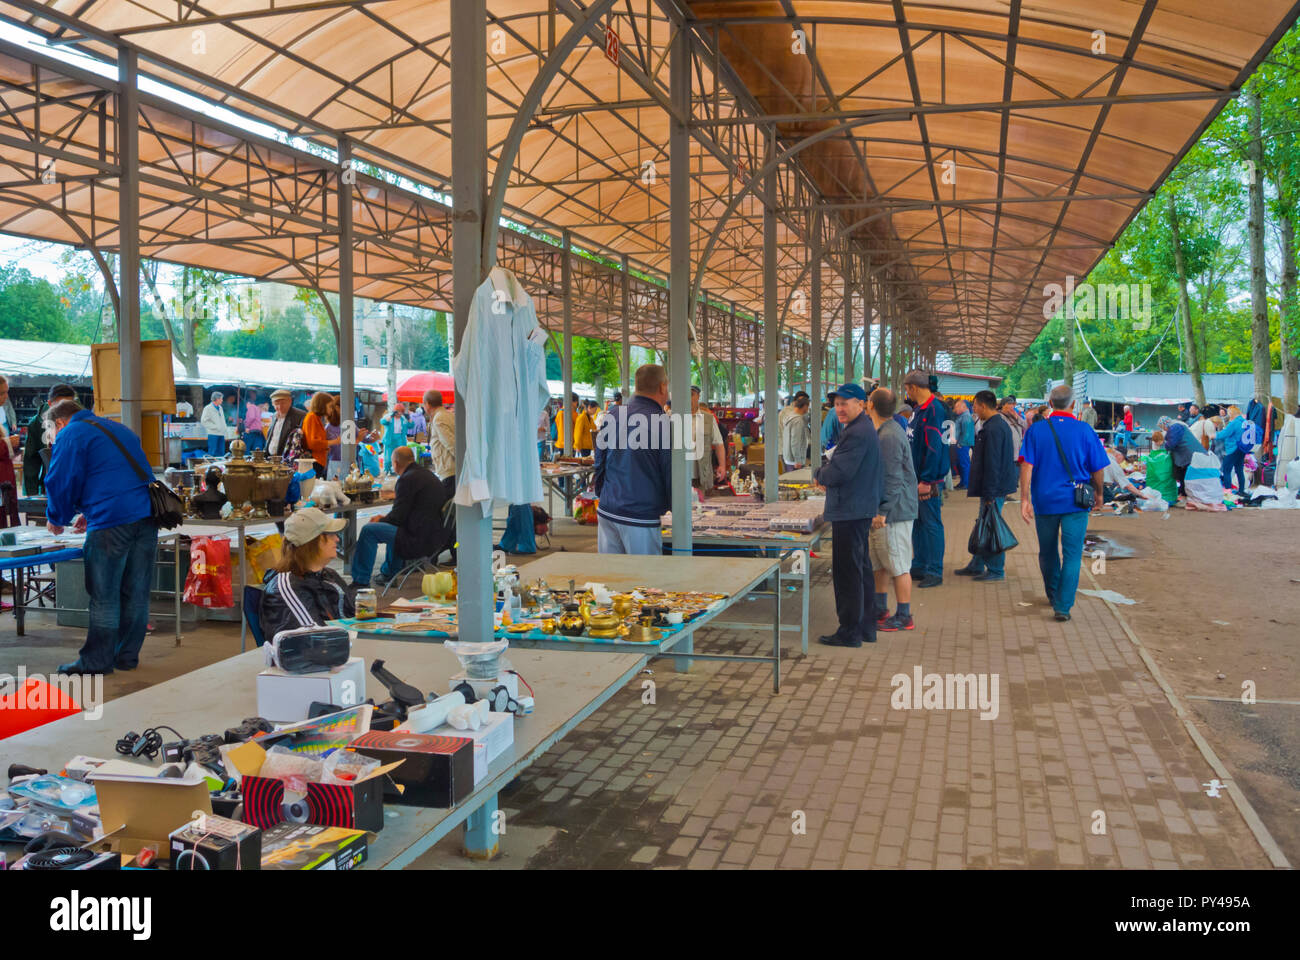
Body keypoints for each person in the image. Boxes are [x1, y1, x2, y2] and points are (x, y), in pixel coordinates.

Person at [43, 399, 157, 674]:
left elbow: (61, 480)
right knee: (136, 593)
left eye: (52, 430)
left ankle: (96, 662)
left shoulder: (71, 433)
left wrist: (57, 518)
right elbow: (116, 475)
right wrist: (88, 511)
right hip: (145, 516)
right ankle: (126, 657)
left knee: (104, 595)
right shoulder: (118, 429)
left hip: (111, 522)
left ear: (59, 423)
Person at [1018, 384, 1107, 622]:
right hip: (1076, 502)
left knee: (1047, 552)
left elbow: (1027, 466)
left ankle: (1053, 594)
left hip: (1045, 500)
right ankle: (1063, 605)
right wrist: (1099, 494)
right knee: (1072, 555)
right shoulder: (1085, 430)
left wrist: (1024, 499)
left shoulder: (1036, 431)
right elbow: (1098, 468)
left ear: (1049, 403)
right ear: (1073, 404)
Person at [815, 383, 883, 648]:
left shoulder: (857, 432)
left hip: (851, 510)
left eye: (845, 403)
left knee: (848, 573)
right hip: (857, 507)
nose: (839, 408)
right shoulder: (860, 428)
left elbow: (839, 472)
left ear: (861, 403)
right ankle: (866, 627)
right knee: (860, 568)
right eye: (836, 403)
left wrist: (820, 474)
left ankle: (850, 631)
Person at [594, 364, 671, 555]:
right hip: (640, 515)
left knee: (610, 580)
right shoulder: (663, 423)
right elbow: (670, 472)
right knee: (645, 581)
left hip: (607, 510)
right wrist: (675, 509)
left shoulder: (613, 414)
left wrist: (603, 493)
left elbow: (599, 460)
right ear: (662, 387)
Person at [350, 446, 451, 586]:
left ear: (395, 464)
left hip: (418, 539)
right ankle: (388, 572)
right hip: (436, 536)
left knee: (369, 530)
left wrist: (381, 519)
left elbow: (397, 517)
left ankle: (360, 581)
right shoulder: (427, 475)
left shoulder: (406, 480)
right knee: (391, 526)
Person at [260, 507, 357, 639]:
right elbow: (314, 637)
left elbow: (356, 614)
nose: (337, 539)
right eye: (330, 535)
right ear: (312, 541)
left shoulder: (328, 575)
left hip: (340, 649)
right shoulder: (286, 587)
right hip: (316, 655)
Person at [866, 388, 917, 632]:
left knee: (898, 564)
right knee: (881, 563)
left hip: (894, 513)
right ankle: (880, 608)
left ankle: (904, 615)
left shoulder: (889, 436)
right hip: (886, 510)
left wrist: (882, 511)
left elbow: (893, 479)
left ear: (871, 406)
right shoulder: (885, 431)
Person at [956, 390, 1018, 582]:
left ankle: (996, 569)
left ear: (983, 405)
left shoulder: (993, 429)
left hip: (994, 487)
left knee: (991, 525)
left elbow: (993, 463)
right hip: (995, 486)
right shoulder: (996, 425)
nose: (973, 409)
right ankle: (977, 563)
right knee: (985, 523)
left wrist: (990, 493)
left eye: (974, 406)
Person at [904, 369, 946, 588]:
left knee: (931, 524)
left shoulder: (933, 410)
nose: (906, 393)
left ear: (913, 387)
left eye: (906, 389)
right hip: (917, 477)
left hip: (927, 480)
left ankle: (934, 569)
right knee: (919, 523)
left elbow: (934, 447)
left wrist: (927, 480)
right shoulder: (919, 410)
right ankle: (919, 563)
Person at [23, 383, 77, 496]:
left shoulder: (79, 423)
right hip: (49, 486)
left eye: (69, 406)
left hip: (76, 485)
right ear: (49, 403)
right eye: (59, 406)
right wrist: (31, 496)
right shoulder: (36, 424)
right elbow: (31, 462)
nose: (65, 411)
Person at [689, 385, 727, 491]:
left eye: (691, 395)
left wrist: (722, 466)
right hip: (680, 476)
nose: (688, 398)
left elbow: (719, 443)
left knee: (703, 505)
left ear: (698, 396)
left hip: (702, 475)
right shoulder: (674, 418)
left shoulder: (708, 418)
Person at [423, 388, 456, 493]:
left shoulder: (439, 418)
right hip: (452, 469)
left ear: (427, 404)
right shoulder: (448, 415)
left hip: (449, 470)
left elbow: (451, 444)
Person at [1158, 416, 1200, 499]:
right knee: (1184, 475)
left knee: (1184, 475)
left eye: (1162, 427)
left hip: (1187, 454)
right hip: (1189, 453)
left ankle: (1184, 495)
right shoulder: (1177, 426)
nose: (1164, 429)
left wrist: (1165, 444)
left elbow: (1172, 443)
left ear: (1165, 424)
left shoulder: (1175, 427)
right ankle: (1183, 492)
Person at [0, 374, 21, 528]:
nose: (6, 397)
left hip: (5, 482)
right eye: (1, 393)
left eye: (6, 392)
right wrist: (8, 443)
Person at [266, 388, 307, 460]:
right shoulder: (274, 416)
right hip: (271, 458)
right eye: (276, 404)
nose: (280, 407)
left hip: (287, 461)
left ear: (290, 401)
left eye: (283, 403)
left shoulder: (300, 416)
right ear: (272, 404)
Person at [1216, 406, 1248, 492]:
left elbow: (1225, 433)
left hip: (1232, 449)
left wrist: (1214, 435)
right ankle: (1241, 491)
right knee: (1239, 471)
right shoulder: (1245, 422)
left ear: (1231, 414)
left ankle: (1228, 491)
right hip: (1242, 449)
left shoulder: (1234, 423)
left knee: (1226, 470)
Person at [1142, 431, 1178, 503]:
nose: (1158, 444)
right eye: (1156, 442)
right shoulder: (1154, 444)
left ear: (1162, 439)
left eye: (1158, 442)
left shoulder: (1167, 439)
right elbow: (1155, 454)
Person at [302, 391, 331, 478]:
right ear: (322, 405)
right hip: (314, 461)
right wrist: (333, 442)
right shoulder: (312, 417)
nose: (331, 409)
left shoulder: (317, 418)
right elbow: (313, 443)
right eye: (330, 406)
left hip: (318, 461)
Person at [781, 394, 812, 470]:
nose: (808, 409)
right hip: (794, 461)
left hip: (788, 456)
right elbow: (795, 442)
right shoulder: (798, 421)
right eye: (808, 407)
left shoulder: (789, 416)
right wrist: (798, 460)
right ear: (804, 406)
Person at [379, 402, 410, 469]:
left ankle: (398, 469)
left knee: (400, 456)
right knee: (388, 456)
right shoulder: (389, 416)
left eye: (401, 412)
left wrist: (409, 418)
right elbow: (382, 422)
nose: (400, 413)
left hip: (400, 439)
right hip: (389, 439)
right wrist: (391, 416)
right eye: (398, 411)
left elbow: (411, 425)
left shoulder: (403, 418)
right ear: (395, 411)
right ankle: (387, 470)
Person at [953, 399, 974, 489]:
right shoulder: (962, 416)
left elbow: (967, 432)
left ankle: (966, 483)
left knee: (964, 464)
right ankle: (963, 482)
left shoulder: (965, 417)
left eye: (957, 406)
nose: (955, 408)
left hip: (962, 445)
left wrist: (961, 444)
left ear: (964, 407)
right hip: (961, 444)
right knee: (961, 464)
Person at [200, 390, 227, 456]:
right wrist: (215, 427)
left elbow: (222, 420)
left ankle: (220, 466)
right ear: (217, 399)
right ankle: (211, 466)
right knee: (213, 452)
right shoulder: (208, 408)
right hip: (213, 434)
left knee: (221, 453)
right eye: (221, 399)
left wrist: (224, 429)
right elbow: (203, 421)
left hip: (221, 434)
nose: (222, 400)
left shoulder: (220, 408)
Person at [325, 396, 344, 480]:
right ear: (337, 408)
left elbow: (364, 438)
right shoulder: (328, 427)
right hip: (333, 463)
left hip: (348, 462)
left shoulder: (348, 424)